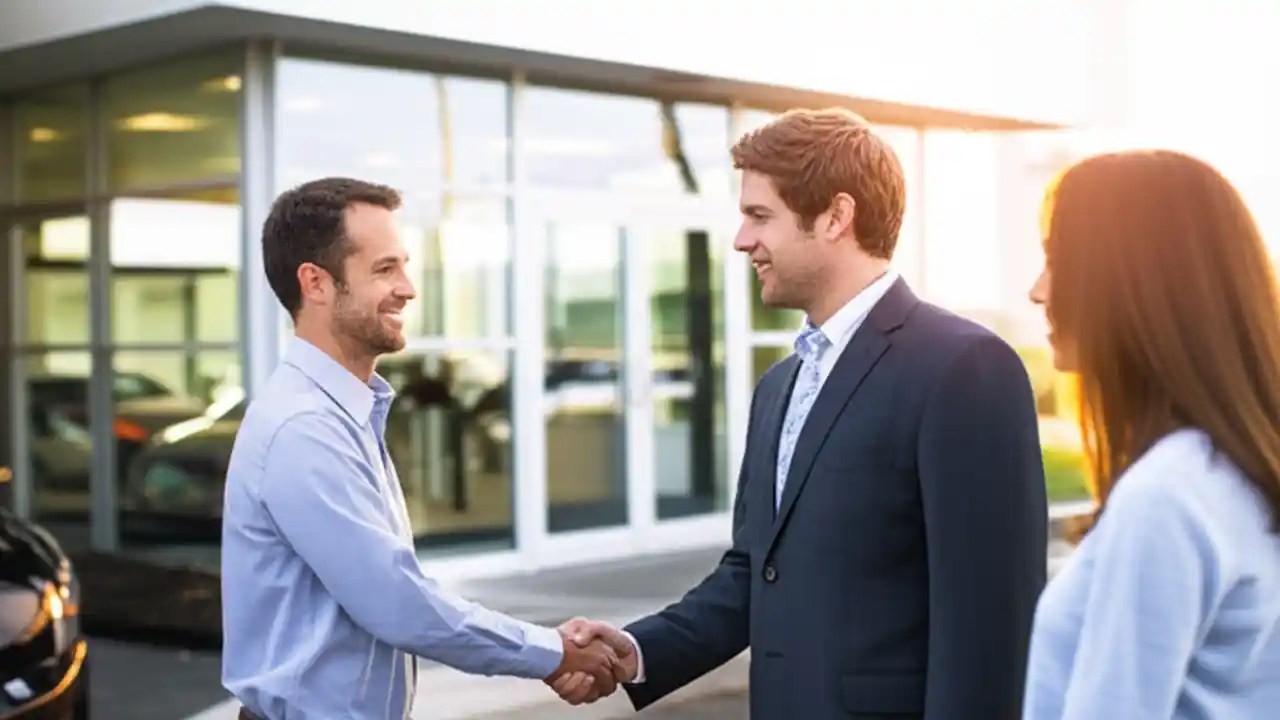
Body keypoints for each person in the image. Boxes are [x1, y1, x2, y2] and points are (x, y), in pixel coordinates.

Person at [558, 108, 1048, 718]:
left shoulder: (965, 368)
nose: (741, 240)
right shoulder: (779, 386)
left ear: (836, 217)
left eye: (759, 216)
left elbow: (989, 626)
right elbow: (754, 572)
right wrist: (636, 651)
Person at [220, 177, 619, 719]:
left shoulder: (346, 412)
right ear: (315, 282)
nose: (408, 288)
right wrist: (553, 652)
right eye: (384, 269)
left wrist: (550, 649)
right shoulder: (304, 427)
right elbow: (395, 603)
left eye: (404, 266)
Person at [1021, 150, 1280, 718]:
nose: (1038, 291)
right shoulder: (1235, 476)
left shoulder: (1166, 497)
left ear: (1135, 282)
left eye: (1058, 261)